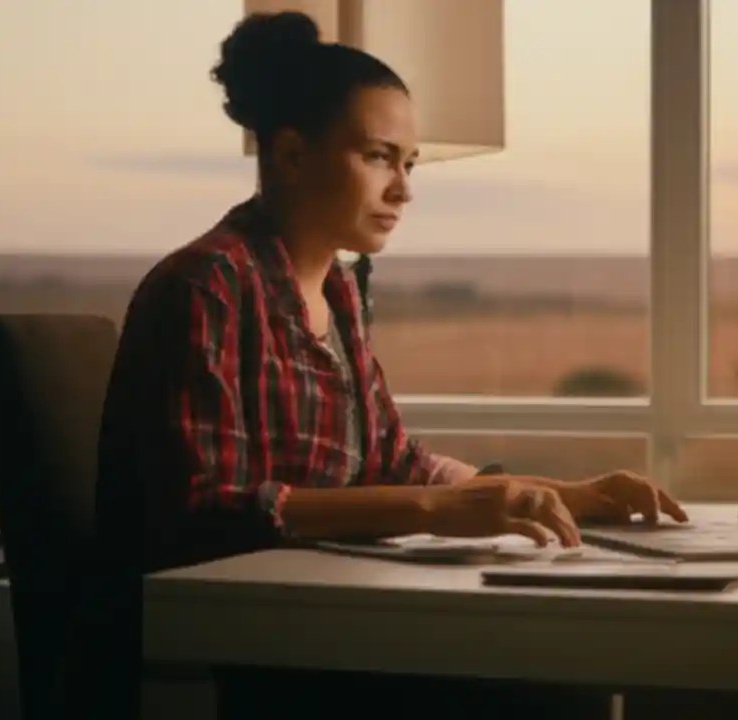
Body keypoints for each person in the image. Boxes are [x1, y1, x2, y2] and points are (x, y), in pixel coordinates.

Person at [96, 10, 687, 718]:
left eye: (408, 163)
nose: (404, 189)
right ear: (290, 155)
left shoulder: (339, 290)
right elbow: (206, 513)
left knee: (579, 674)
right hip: (247, 640)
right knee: (558, 693)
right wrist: (442, 510)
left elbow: (394, 460)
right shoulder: (207, 286)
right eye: (378, 156)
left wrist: (566, 494)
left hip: (327, 612)